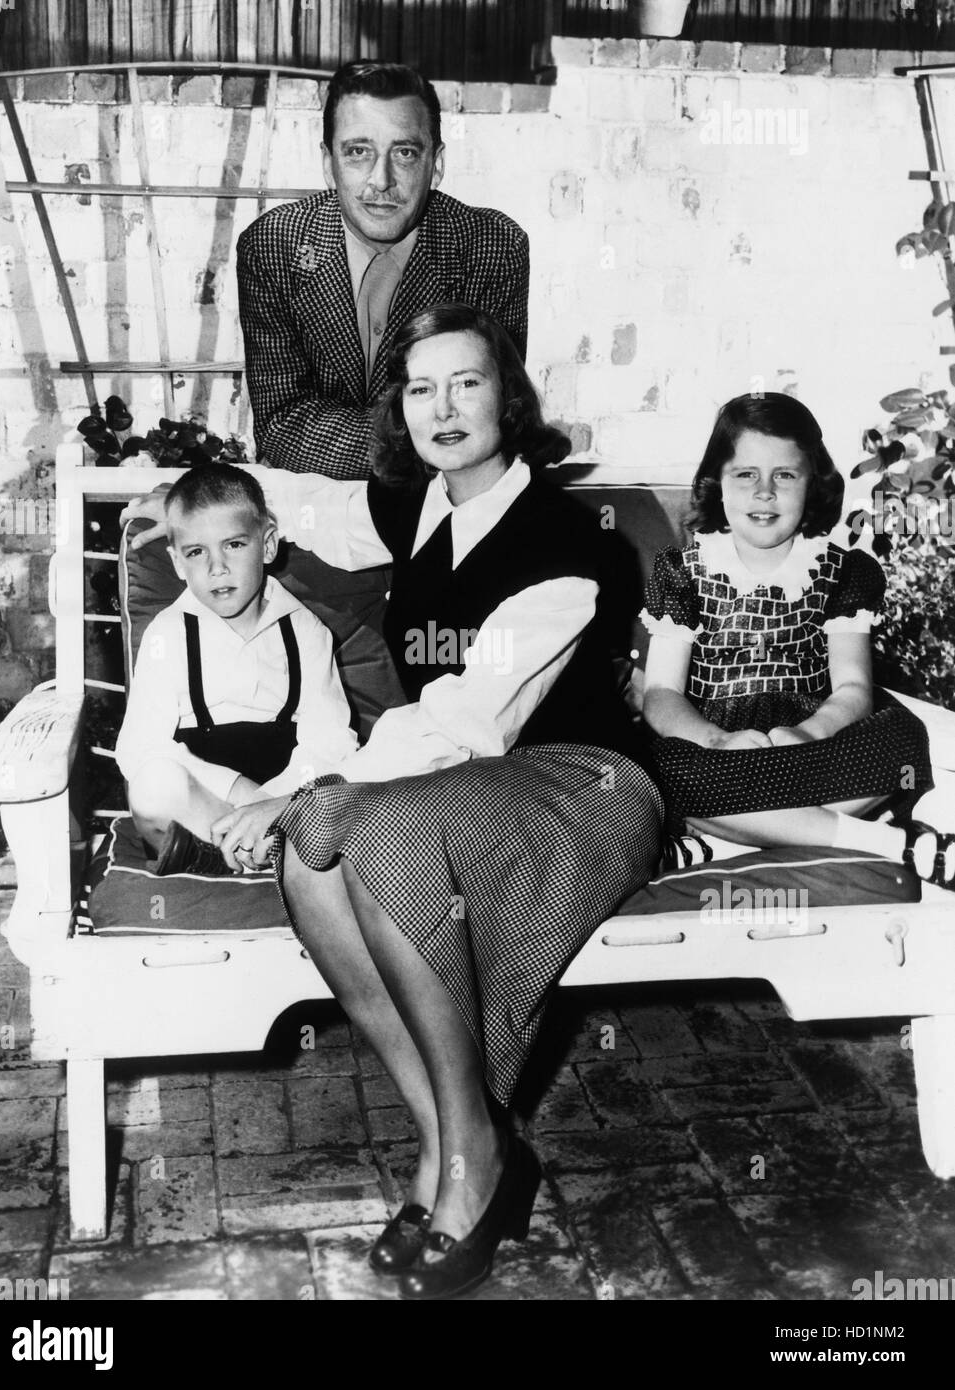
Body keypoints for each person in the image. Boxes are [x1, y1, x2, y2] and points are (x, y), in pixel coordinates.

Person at [128, 305, 663, 1298]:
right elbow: (311, 507)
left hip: (581, 778)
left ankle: (464, 1164)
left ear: (508, 395)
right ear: (402, 410)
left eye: (467, 382)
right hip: (459, 780)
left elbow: (475, 711)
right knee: (312, 855)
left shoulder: (567, 536)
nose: (445, 406)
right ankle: (466, 1146)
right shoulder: (423, 509)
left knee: (367, 831)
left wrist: (325, 784)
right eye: (421, 388)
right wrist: (174, 497)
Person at [235, 61, 531, 734]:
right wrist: (425, 430)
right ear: (326, 160)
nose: (381, 181)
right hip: (317, 548)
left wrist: (441, 440)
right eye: (358, 152)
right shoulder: (273, 247)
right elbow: (282, 427)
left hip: (445, 536)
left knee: (449, 742)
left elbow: (488, 423)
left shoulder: (492, 248)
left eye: (405, 153)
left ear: (437, 161)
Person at [640, 392, 954, 888]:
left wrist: (811, 733)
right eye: (745, 475)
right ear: (716, 483)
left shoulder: (843, 572)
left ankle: (743, 830)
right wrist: (715, 740)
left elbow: (852, 688)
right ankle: (884, 841)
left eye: (784, 475)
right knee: (662, 768)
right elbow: (661, 694)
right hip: (717, 746)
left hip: (812, 740)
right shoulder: (683, 572)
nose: (764, 492)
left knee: (902, 738)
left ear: (813, 484)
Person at [115, 465, 357, 877]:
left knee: (340, 788)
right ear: (176, 562)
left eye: (233, 545)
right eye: (196, 552)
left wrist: (270, 803)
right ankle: (222, 853)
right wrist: (237, 793)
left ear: (266, 545)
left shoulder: (306, 632)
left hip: (284, 806)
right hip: (203, 804)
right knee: (152, 786)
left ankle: (263, 855)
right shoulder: (169, 634)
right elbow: (138, 747)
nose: (217, 568)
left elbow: (332, 742)